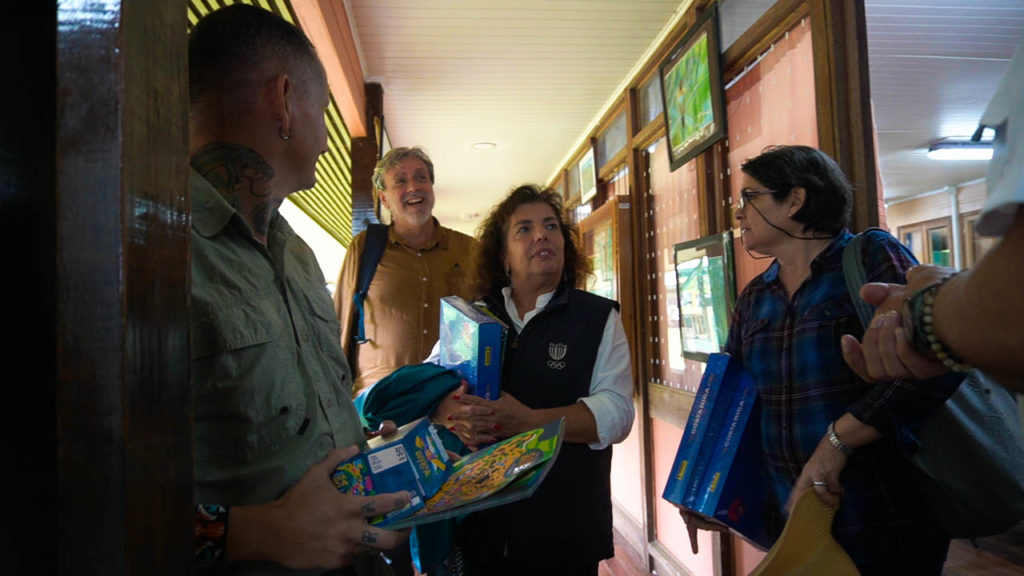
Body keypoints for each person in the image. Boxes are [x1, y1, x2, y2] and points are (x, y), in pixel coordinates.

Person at [187, 5, 410, 573]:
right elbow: (74, 489)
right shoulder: (148, 248)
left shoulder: (299, 254)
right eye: (322, 111)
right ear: (284, 102)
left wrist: (359, 437)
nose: (329, 142)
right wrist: (250, 534)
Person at [679, 145, 962, 575]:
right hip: (791, 524)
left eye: (749, 197)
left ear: (795, 199)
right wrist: (701, 489)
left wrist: (837, 441)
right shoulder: (755, 296)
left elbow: (935, 364)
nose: (739, 214)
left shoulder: (869, 257)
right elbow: (734, 399)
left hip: (882, 520)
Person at [433, 184, 635, 575]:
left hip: (565, 526)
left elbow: (617, 412)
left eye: (551, 226)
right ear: (503, 257)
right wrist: (448, 413)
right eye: (523, 229)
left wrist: (525, 422)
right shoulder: (471, 320)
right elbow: (432, 388)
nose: (541, 234)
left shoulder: (597, 318)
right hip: (482, 524)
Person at [842, 38, 1024, 389]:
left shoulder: (869, 249)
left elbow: (1014, 315)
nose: (740, 214)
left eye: (751, 196)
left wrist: (924, 313)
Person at [334, 146, 478, 398]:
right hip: (381, 402)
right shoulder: (364, 249)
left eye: (421, 177)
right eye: (400, 181)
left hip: (451, 398)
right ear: (384, 199)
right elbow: (339, 328)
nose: (414, 187)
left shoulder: (469, 250)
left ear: (432, 188)